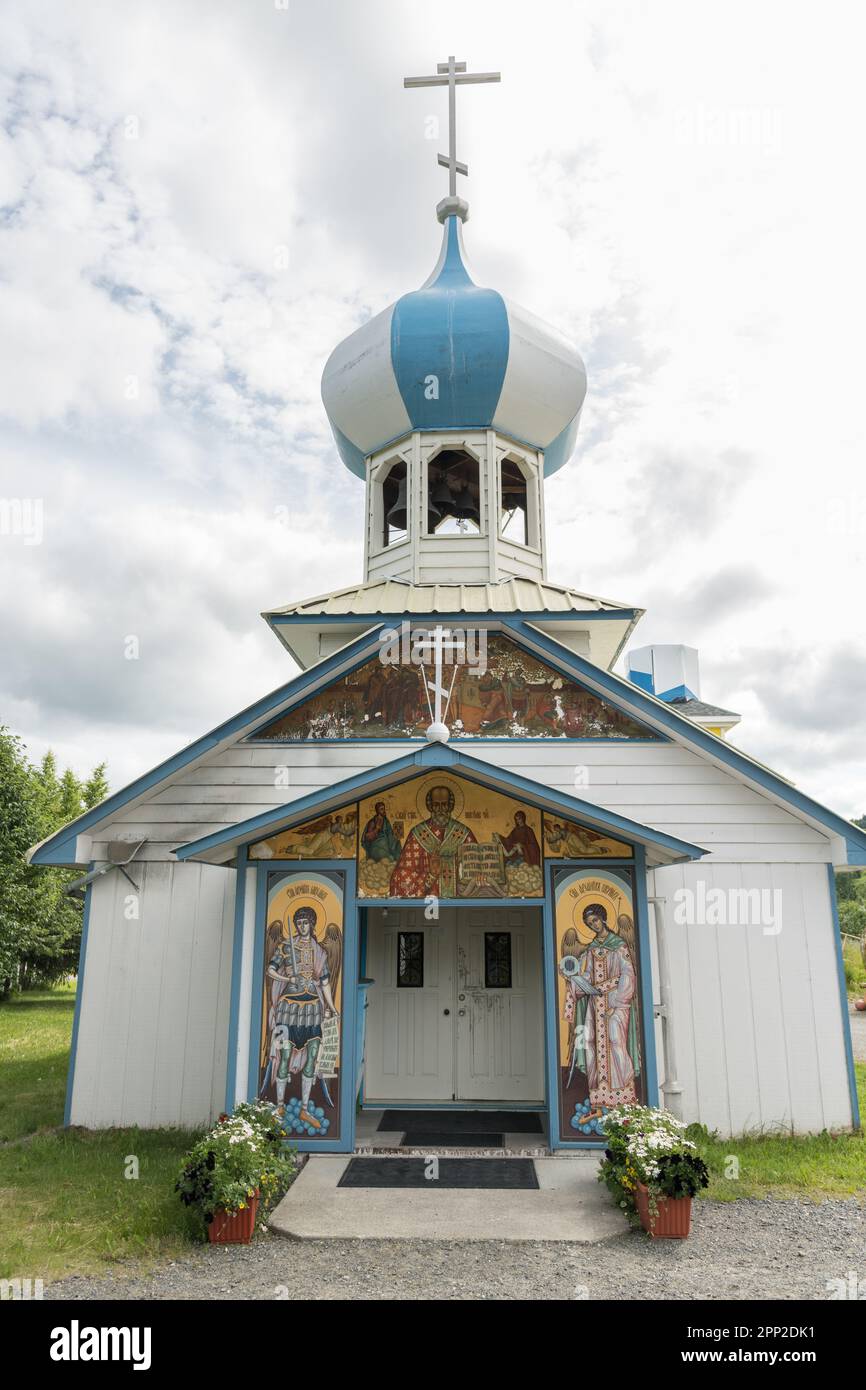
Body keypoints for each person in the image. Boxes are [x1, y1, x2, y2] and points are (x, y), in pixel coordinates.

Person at [559, 902, 640, 1108]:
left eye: (595, 920)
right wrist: (573, 981)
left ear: (603, 918)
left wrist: (618, 1001)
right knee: (593, 1043)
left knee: (615, 1042)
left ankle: (622, 1094)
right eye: (589, 923)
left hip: (615, 1002)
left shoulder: (619, 945)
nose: (593, 925)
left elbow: (628, 974)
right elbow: (588, 976)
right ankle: (600, 1096)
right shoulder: (592, 948)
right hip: (595, 1004)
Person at [267, 906, 339, 1130]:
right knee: (285, 1054)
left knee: (313, 1054)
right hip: (289, 1007)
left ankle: (305, 1109)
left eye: (306, 922)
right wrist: (286, 978)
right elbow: (270, 969)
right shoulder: (285, 946)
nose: (302, 926)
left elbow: (325, 981)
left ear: (312, 924)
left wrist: (331, 1006)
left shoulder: (319, 951)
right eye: (299, 922)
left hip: (312, 1008)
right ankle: (279, 1105)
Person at [389, 784, 476, 897]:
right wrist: (431, 876)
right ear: (430, 806)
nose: (440, 809)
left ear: (450, 806)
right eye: (436, 805)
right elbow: (399, 877)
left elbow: (476, 868)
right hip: (425, 903)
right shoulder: (418, 834)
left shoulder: (464, 833)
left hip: (460, 902)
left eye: (444, 804)